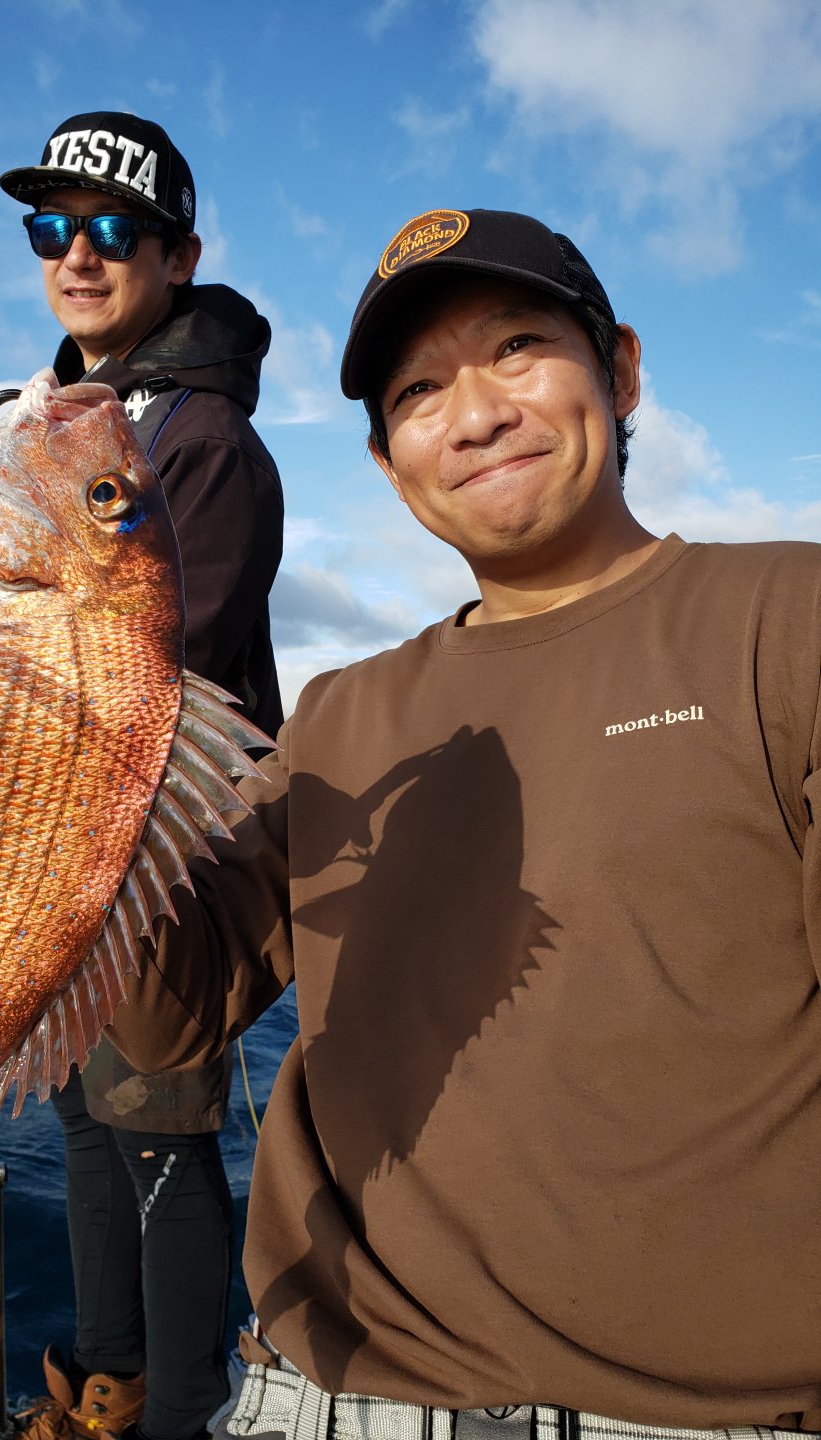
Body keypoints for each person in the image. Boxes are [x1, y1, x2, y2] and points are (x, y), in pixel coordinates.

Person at [101, 206, 821, 1440]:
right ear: (390, 464)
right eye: (420, 390)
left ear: (625, 369)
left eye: (521, 348)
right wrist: (61, 775)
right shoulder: (340, 710)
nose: (476, 413)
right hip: (315, 1397)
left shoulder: (785, 619)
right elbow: (165, 1018)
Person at [0, 113, 285, 1440]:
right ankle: (105, 1385)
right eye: (54, 228)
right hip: (63, 839)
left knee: (160, 1129)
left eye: (114, 230)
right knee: (83, 1120)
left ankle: (177, 1412)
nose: (80, 256)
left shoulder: (203, 438)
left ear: (178, 255)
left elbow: (163, 666)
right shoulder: (62, 418)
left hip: (166, 851)